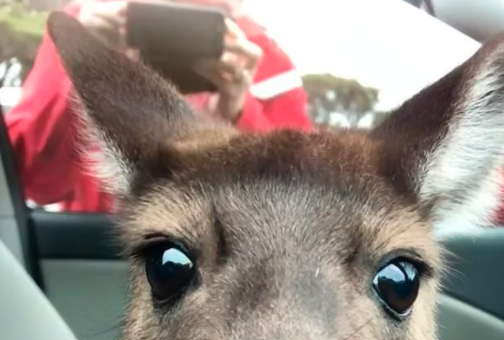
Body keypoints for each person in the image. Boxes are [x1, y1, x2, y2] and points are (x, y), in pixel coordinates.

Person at [5, 0, 312, 212]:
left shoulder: (267, 62)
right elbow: (32, 179)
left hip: (223, 269)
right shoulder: (86, 26)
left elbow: (299, 199)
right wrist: (89, 63)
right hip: (96, 251)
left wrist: (236, 113)